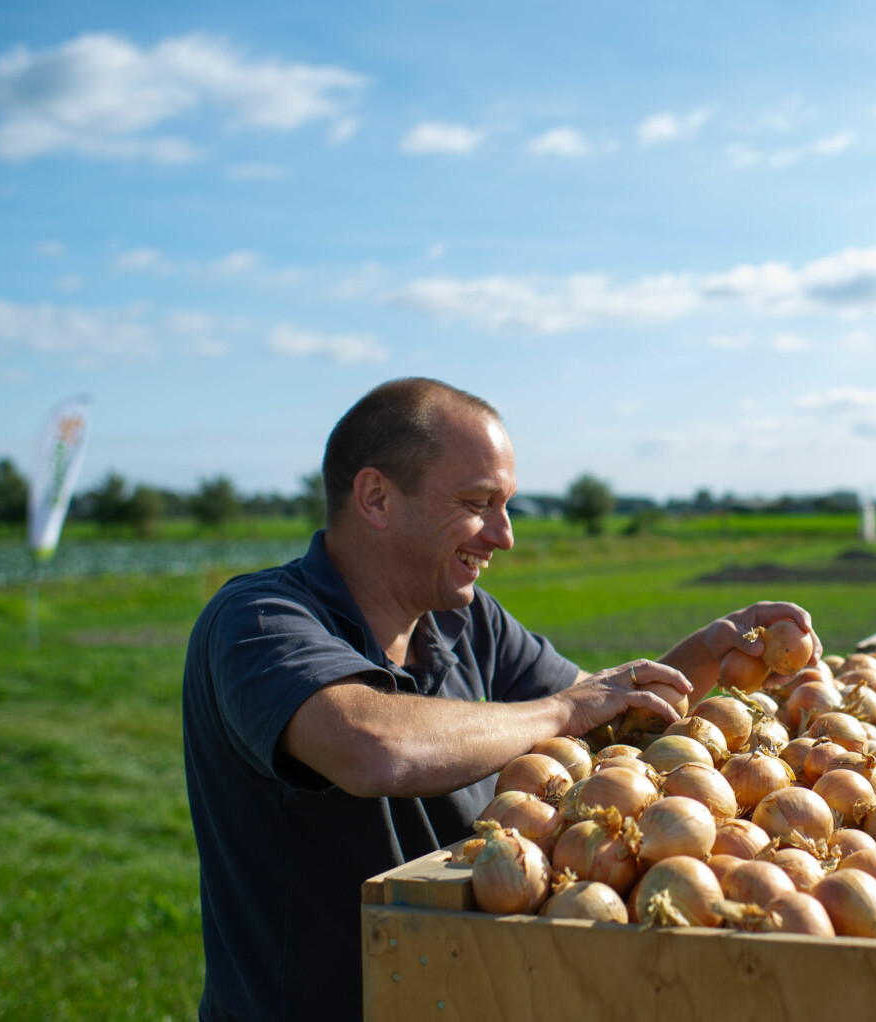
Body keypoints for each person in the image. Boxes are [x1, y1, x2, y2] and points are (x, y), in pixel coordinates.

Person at [182, 378, 820, 1022]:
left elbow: (612, 722)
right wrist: (563, 708)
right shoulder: (258, 619)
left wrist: (708, 651)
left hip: (459, 992)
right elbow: (371, 747)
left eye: (506, 504)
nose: (504, 535)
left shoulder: (466, 620)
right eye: (479, 502)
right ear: (376, 497)